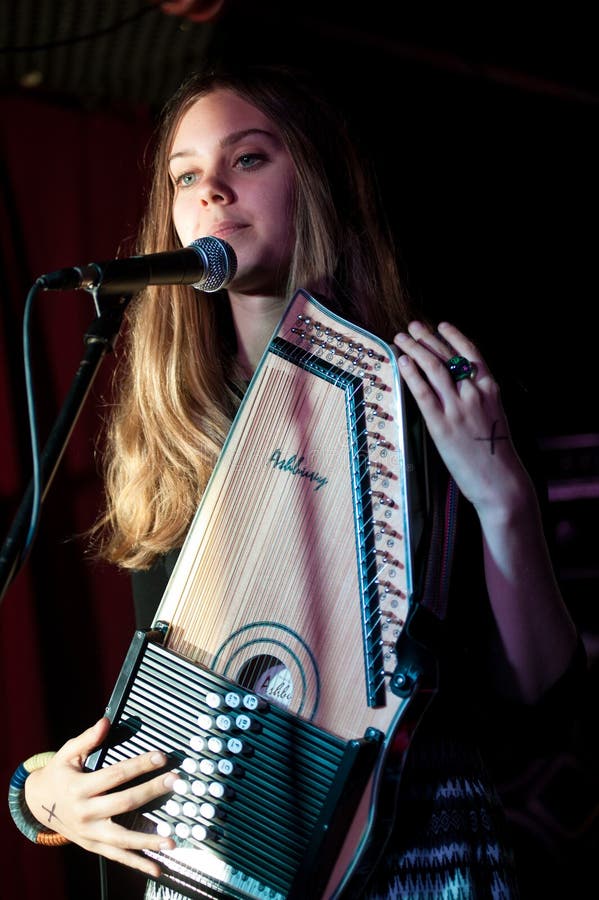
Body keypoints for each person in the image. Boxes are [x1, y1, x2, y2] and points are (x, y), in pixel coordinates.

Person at [9, 63, 585, 900]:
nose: (209, 191)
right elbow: (166, 705)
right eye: (183, 175)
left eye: (246, 159)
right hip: (215, 870)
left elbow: (538, 694)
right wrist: (41, 794)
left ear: (314, 181)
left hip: (414, 863)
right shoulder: (166, 434)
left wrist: (501, 497)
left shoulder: (428, 393)